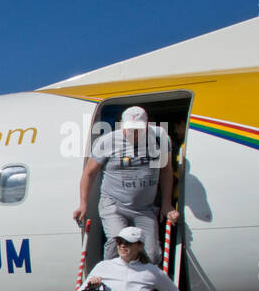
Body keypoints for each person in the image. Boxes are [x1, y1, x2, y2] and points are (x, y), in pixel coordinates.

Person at [73, 105, 179, 263]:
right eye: (130, 129)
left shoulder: (159, 137)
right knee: (118, 245)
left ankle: (144, 285)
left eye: (138, 130)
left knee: (152, 254)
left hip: (144, 207)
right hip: (114, 204)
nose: (134, 134)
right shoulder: (108, 141)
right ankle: (111, 281)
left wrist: (166, 203)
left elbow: (166, 170)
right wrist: (83, 204)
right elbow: (89, 173)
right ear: (122, 125)